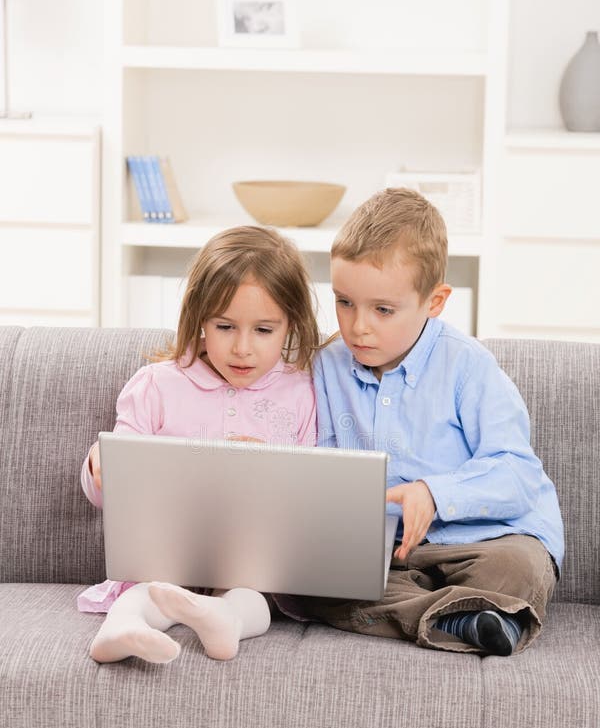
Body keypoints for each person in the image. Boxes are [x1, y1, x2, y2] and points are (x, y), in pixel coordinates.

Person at [300, 188, 564, 656]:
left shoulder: (468, 367)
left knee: (518, 568)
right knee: (308, 581)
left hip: (483, 539)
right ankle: (463, 619)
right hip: (386, 550)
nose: (358, 326)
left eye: (383, 309)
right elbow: (319, 463)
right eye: (344, 302)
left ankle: (457, 610)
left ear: (435, 301)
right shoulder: (327, 365)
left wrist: (434, 492)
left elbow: (517, 474)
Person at [79, 226, 319, 665]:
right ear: (200, 320)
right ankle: (123, 627)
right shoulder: (158, 385)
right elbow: (111, 491)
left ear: (291, 324)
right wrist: (100, 466)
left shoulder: (302, 393)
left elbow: (312, 499)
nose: (242, 348)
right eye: (225, 326)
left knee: (253, 599)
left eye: (264, 330)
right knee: (150, 588)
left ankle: (222, 618)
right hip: (167, 556)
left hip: (252, 566)